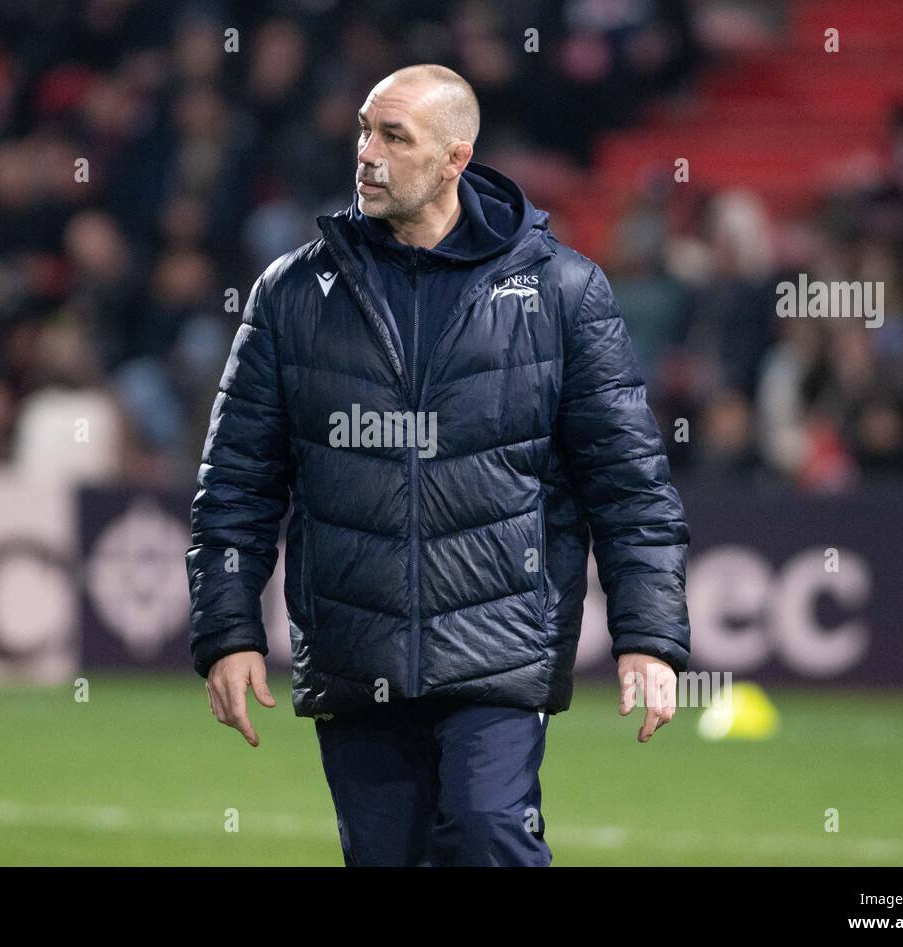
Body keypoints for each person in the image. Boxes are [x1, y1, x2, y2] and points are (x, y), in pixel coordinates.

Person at [185, 64, 690, 866]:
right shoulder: (292, 294)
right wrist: (227, 630)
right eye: (364, 130)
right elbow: (235, 484)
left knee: (490, 831)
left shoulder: (562, 291)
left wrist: (650, 635)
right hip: (356, 646)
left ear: (455, 159)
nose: (367, 153)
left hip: (499, 644)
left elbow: (630, 486)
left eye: (394, 137)